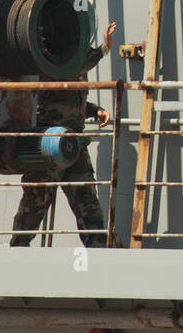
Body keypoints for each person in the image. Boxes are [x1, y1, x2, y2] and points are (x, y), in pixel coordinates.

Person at [11, 21, 118, 248]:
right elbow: (66, 77)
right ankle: (18, 246)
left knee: (86, 198)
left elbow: (72, 98)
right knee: (37, 200)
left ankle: (97, 246)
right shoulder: (50, 62)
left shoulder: (75, 65)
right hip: (48, 142)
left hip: (73, 143)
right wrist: (102, 50)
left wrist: (94, 110)